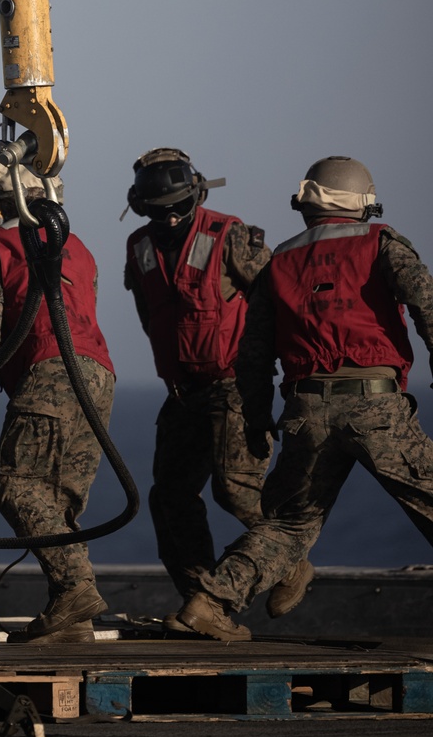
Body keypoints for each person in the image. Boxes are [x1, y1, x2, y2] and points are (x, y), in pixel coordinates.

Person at [179, 156, 433, 641]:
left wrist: (257, 420)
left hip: (305, 410)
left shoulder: (279, 263)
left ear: (306, 204)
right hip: (376, 405)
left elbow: (252, 356)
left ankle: (210, 602)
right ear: (362, 202)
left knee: (289, 526)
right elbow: (427, 304)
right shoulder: (381, 244)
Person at [123, 147, 305, 624]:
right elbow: (151, 315)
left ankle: (288, 559)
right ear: (142, 206)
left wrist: (286, 377)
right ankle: (204, 604)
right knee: (170, 498)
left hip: (233, 384)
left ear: (197, 193)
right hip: (183, 392)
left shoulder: (230, 236)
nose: (171, 219)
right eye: (160, 212)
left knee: (236, 490)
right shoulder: (139, 248)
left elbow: (279, 303)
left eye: (179, 208)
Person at [0, 163, 115, 647]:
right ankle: (72, 619)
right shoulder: (78, 246)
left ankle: (75, 589)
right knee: (60, 499)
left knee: (17, 485)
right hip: (99, 374)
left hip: (48, 368)